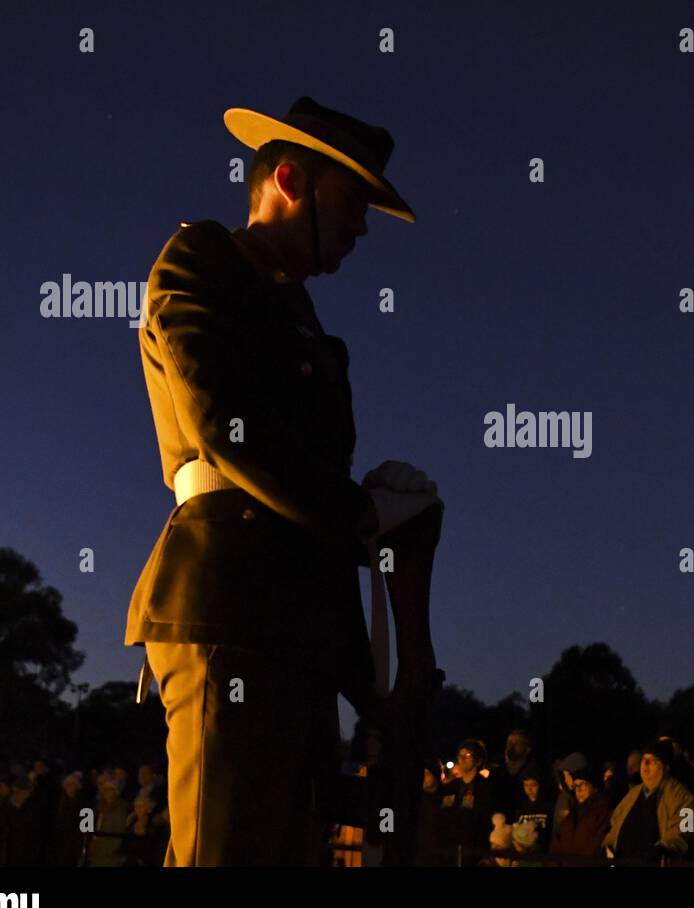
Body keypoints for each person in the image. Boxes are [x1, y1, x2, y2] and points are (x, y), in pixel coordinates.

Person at [123, 95, 442, 866]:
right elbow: (225, 422)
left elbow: (315, 488)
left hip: (298, 631)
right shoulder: (205, 260)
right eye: (353, 200)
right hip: (226, 609)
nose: (363, 225)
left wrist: (379, 676)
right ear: (290, 178)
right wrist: (360, 513)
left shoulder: (308, 326)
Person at [603, 742, 694, 865]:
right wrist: (607, 845)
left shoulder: (683, 797)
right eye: (643, 760)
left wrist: (662, 848)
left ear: (666, 766)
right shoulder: (632, 795)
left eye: (653, 761)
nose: (645, 765)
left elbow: (686, 830)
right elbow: (615, 824)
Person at [550, 765, 612, 861]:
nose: (579, 789)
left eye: (583, 784)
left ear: (594, 787)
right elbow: (555, 847)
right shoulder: (570, 817)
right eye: (575, 786)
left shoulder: (603, 814)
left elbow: (595, 848)